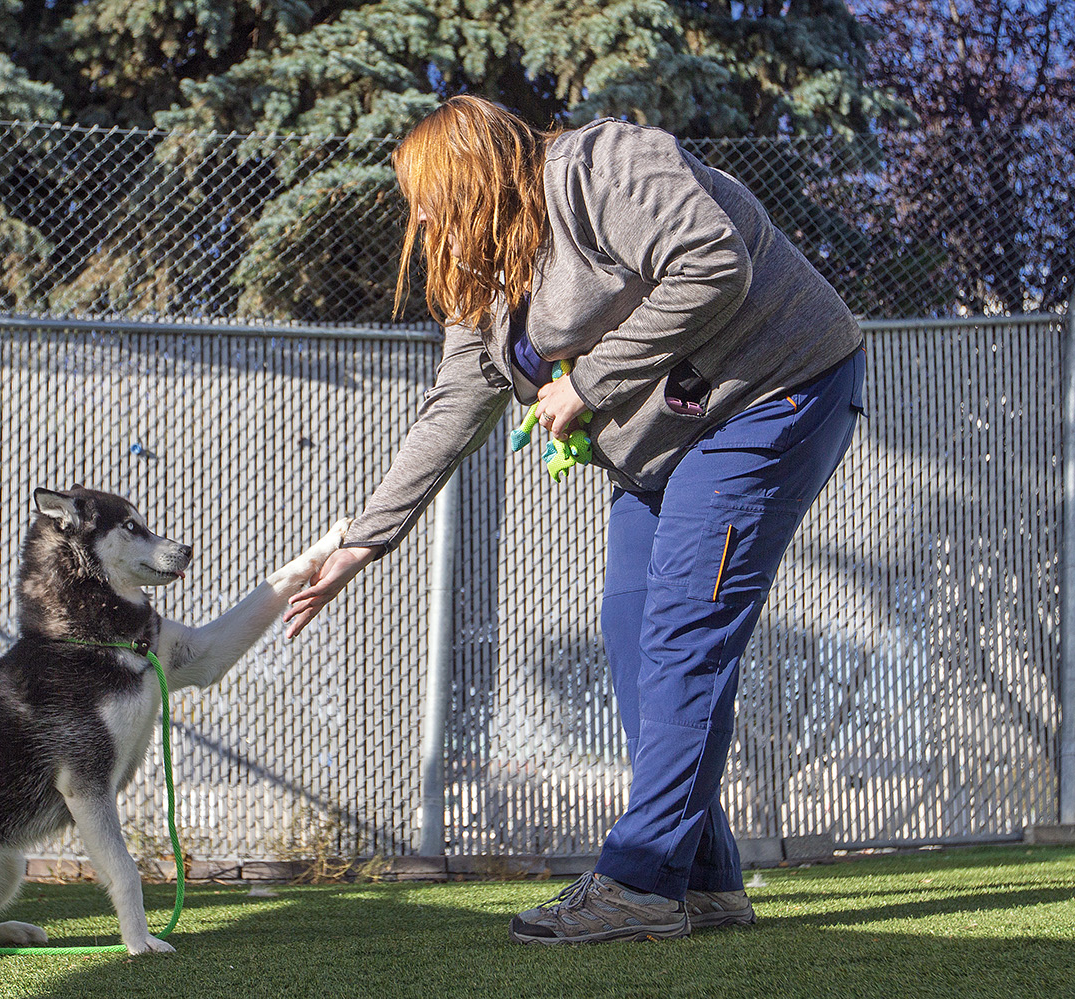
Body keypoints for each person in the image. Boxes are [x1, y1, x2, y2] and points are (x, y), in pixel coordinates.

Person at [282, 95, 864, 944]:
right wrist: (362, 540)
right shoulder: (486, 280)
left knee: (683, 637)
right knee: (633, 643)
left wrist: (587, 386)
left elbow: (713, 262)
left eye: (432, 196)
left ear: (477, 174)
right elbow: (455, 406)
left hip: (771, 394)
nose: (425, 218)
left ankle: (637, 884)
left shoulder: (603, 167)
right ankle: (703, 881)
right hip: (662, 445)